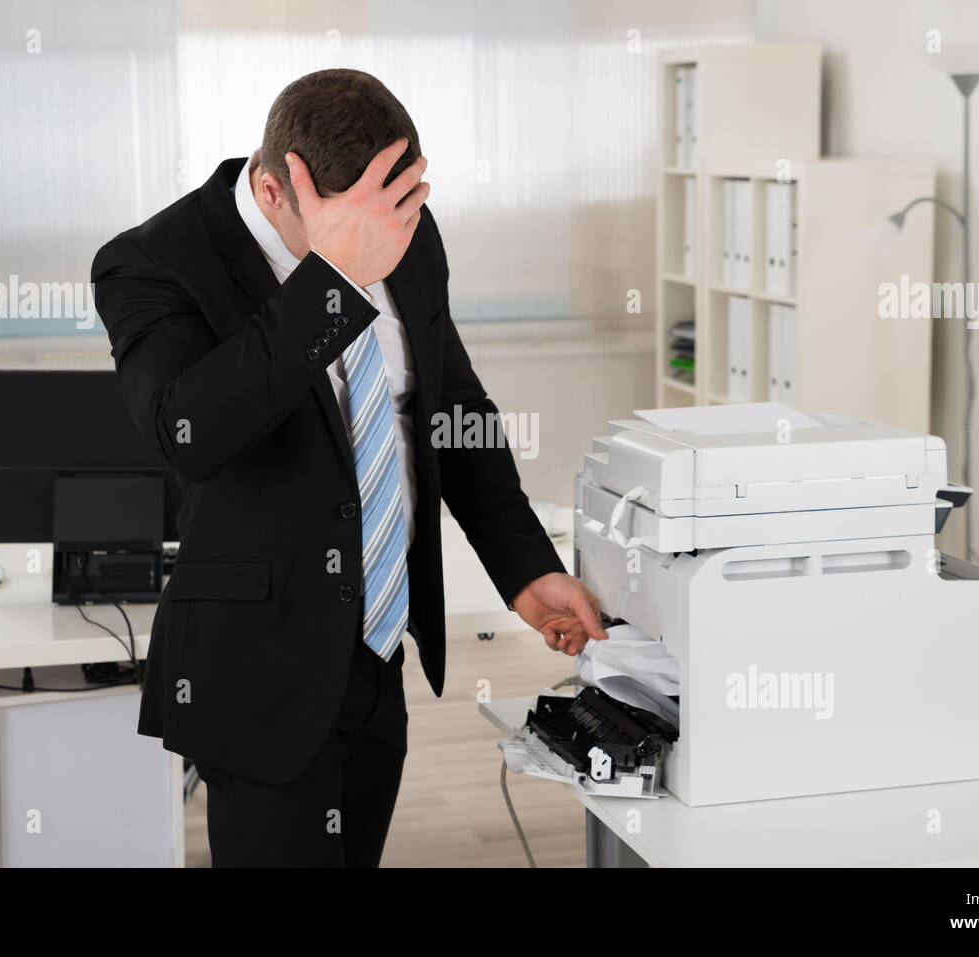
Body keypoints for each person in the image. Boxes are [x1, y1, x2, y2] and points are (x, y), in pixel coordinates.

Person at [91, 68, 605, 867]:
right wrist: (331, 280)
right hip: (256, 670)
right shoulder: (153, 261)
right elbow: (189, 432)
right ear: (272, 190)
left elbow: (451, 411)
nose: (389, 241)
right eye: (362, 227)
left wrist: (526, 568)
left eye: (401, 211)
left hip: (375, 656)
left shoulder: (403, 230)